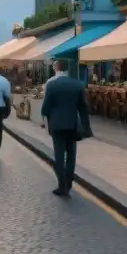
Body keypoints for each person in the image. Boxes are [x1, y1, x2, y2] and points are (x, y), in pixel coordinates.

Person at [40, 59, 90, 196]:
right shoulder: (78, 85)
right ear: (68, 70)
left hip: (57, 126)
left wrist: (47, 124)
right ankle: (68, 183)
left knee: (59, 155)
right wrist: (86, 128)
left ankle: (62, 186)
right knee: (71, 156)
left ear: (57, 68)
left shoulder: (52, 85)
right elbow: (83, 108)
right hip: (72, 124)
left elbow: (45, 109)